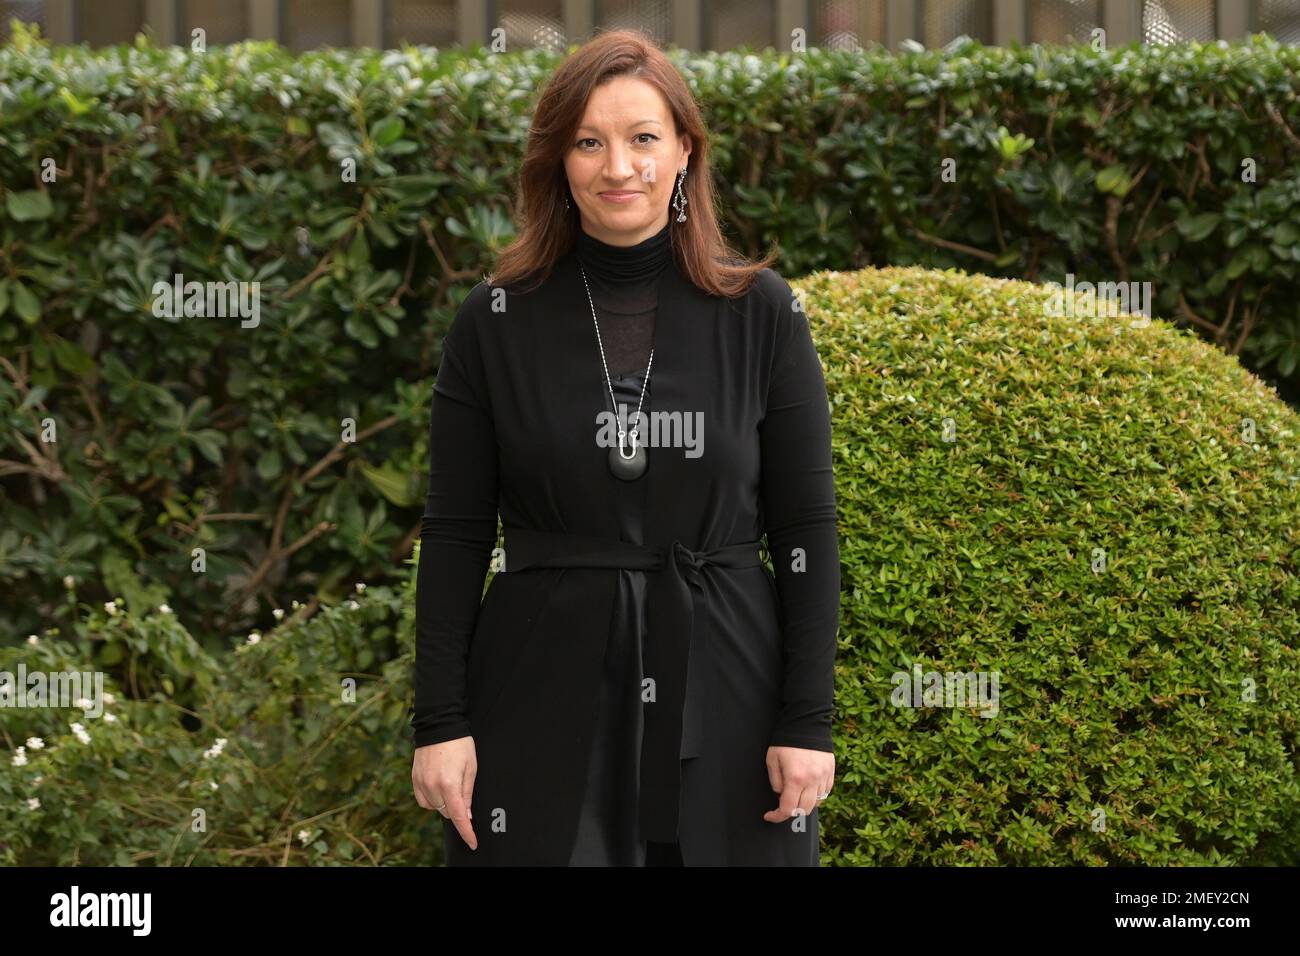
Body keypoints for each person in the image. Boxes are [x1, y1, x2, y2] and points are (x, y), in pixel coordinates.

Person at [410, 29, 840, 866]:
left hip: (728, 687)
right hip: (537, 691)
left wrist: (807, 721)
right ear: (558, 162)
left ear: (684, 151)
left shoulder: (760, 314)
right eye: (588, 141)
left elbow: (806, 529)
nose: (619, 167)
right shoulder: (494, 322)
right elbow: (457, 532)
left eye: (643, 138)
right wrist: (441, 724)